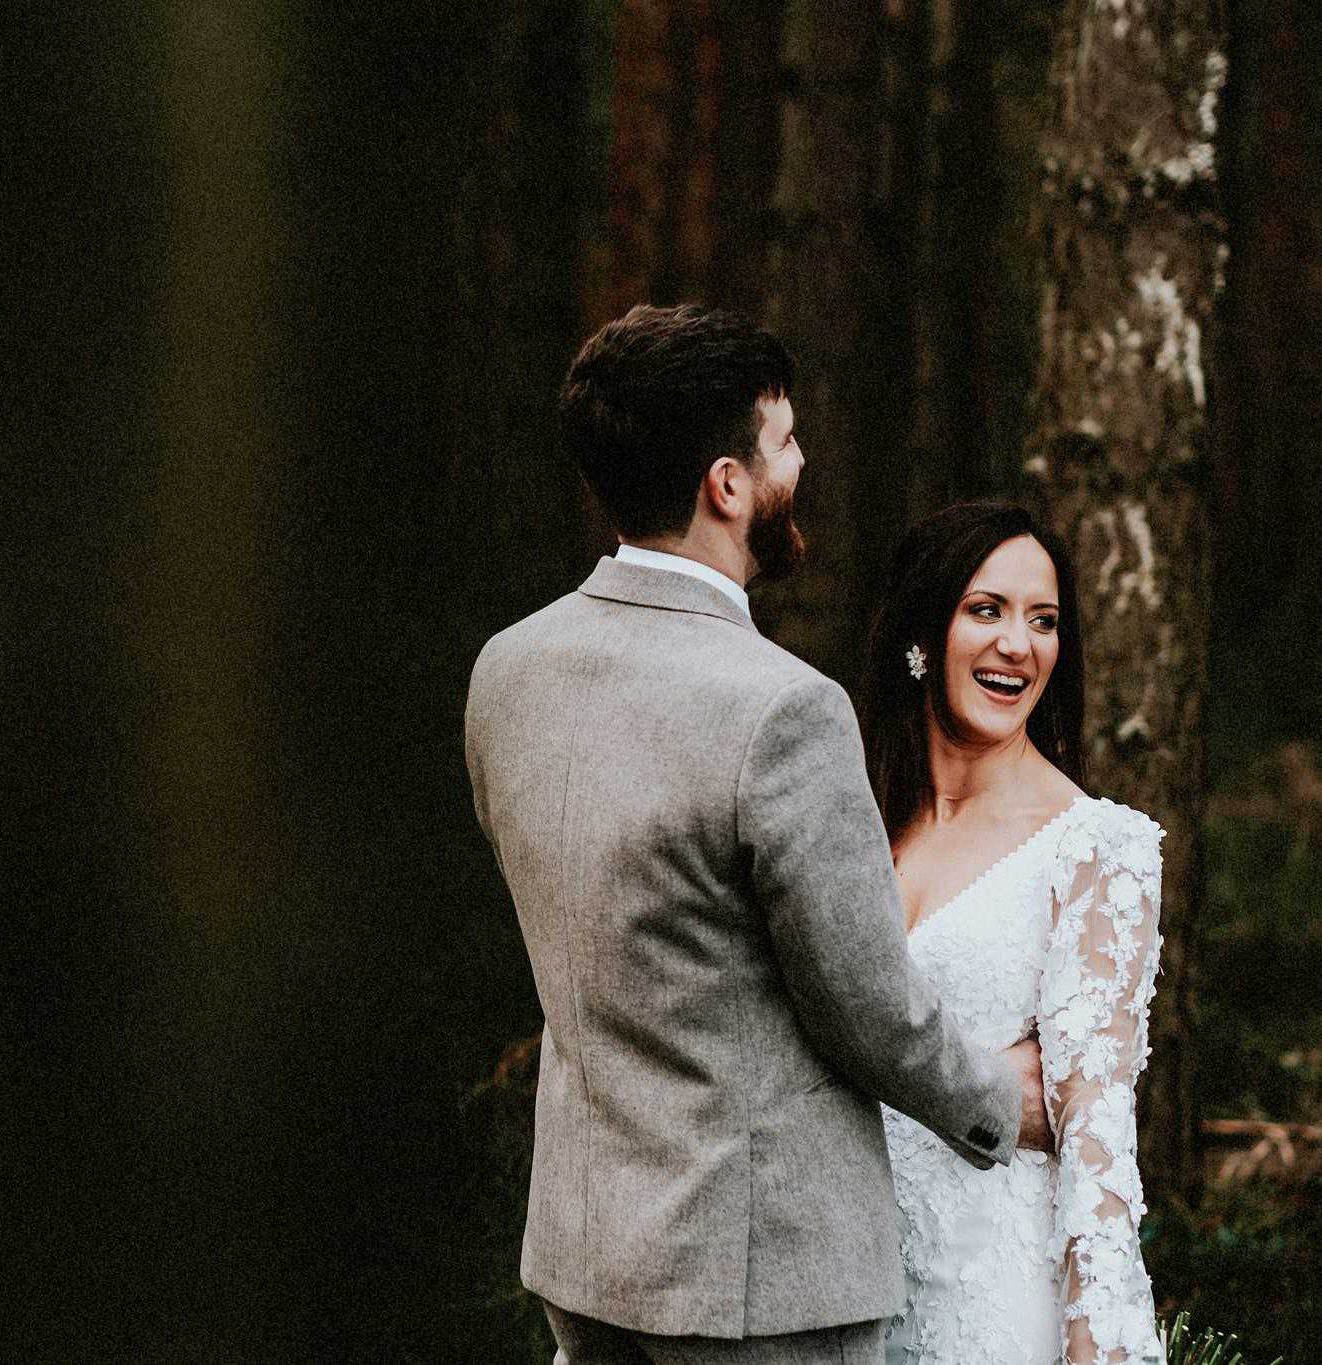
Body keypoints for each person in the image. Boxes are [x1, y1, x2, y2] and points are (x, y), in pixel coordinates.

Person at [464, 305, 1052, 1365]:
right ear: (727, 486)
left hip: (586, 1257)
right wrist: (1001, 1104)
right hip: (758, 1284)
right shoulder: (785, 710)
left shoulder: (508, 671)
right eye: (784, 440)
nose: (804, 461)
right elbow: (864, 1003)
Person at [857, 501, 1166, 1364]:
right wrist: (989, 1078)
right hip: (847, 1305)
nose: (1016, 644)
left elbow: (1098, 1142)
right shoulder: (854, 827)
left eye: (1043, 621)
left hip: (993, 1307)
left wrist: (1094, 1345)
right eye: (984, 610)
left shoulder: (1094, 845)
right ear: (923, 631)